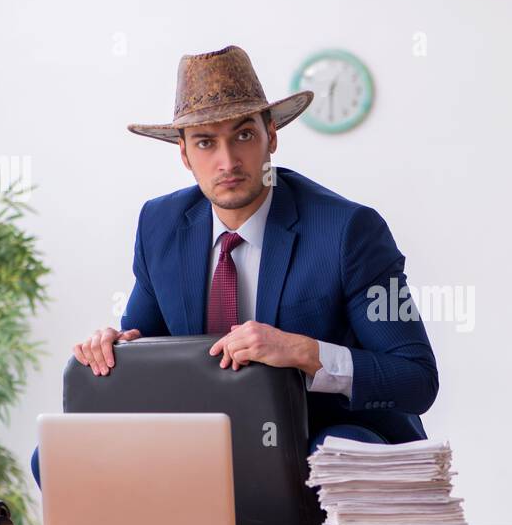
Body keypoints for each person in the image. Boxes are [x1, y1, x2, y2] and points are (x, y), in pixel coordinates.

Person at [31, 45, 438, 486]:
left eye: (243, 135)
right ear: (185, 155)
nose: (227, 162)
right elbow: (144, 344)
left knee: (332, 452)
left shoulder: (351, 230)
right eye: (206, 142)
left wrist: (304, 352)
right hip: (200, 442)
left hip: (317, 437)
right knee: (51, 455)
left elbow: (416, 379)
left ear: (272, 137)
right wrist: (116, 349)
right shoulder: (160, 225)